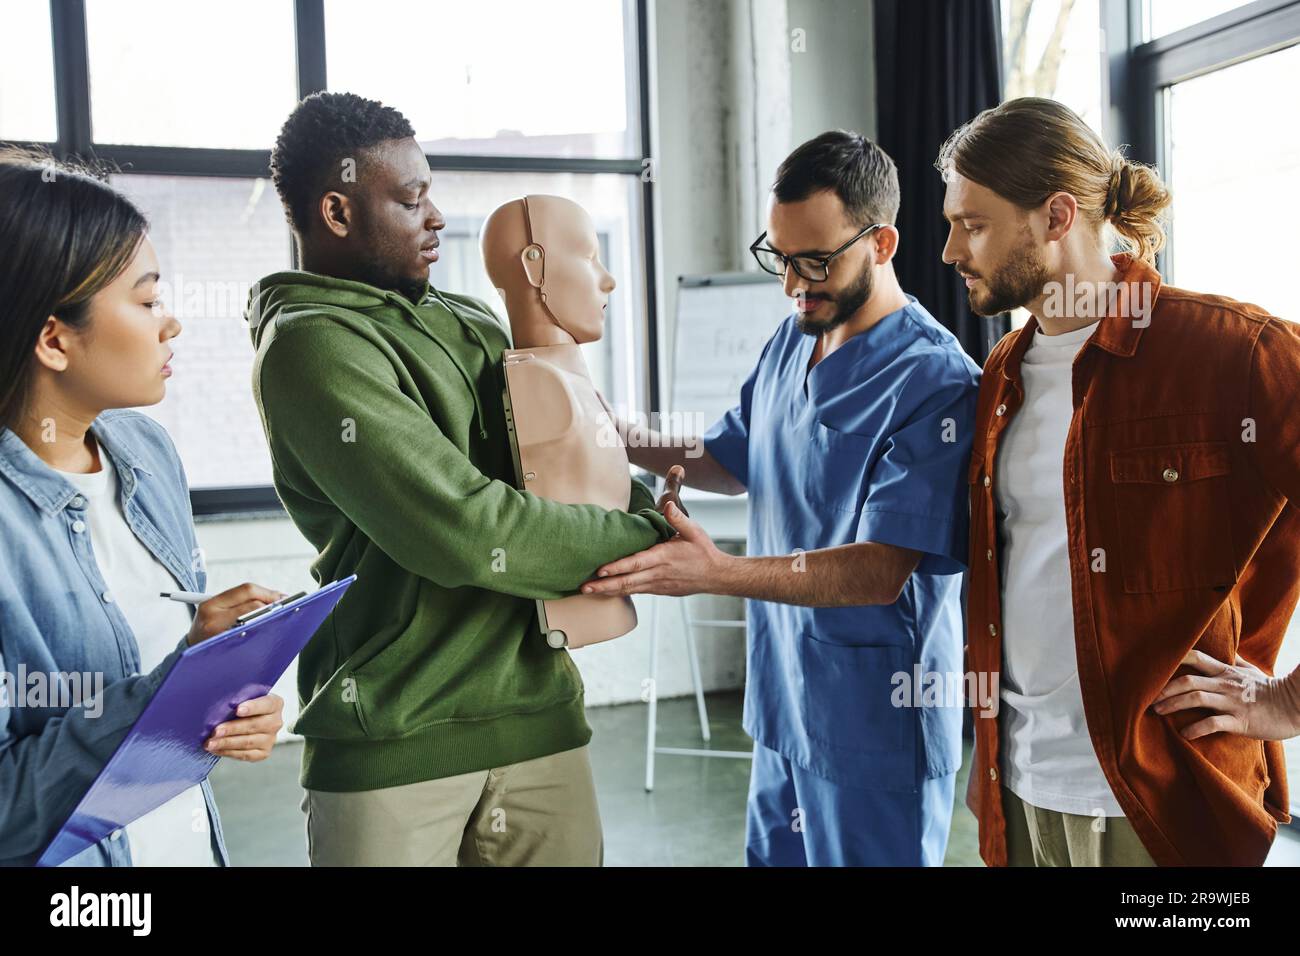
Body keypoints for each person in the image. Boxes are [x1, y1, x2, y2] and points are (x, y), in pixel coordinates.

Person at [248, 92, 678, 866]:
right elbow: (464, 531)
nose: (437, 216)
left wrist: (646, 504)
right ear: (337, 213)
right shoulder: (309, 347)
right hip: (394, 735)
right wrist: (647, 535)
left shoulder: (471, 321)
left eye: (432, 192)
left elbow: (563, 469)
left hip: (539, 717)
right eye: (411, 199)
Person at [583, 131, 980, 866]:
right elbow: (735, 458)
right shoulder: (793, 338)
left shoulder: (936, 382)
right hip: (786, 702)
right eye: (780, 258)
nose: (794, 284)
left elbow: (879, 570)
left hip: (875, 724)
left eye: (817, 262)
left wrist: (715, 575)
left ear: (883, 242)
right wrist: (620, 436)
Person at [938, 96, 1300, 866]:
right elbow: (1008, 580)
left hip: (1166, 803)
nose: (949, 250)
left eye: (972, 223)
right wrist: (988, 756)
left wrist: (1286, 701)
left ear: (1057, 216)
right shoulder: (1003, 372)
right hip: (1023, 792)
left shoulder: (1236, 354)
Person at [0, 146, 286, 867]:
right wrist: (172, 690)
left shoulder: (145, 452)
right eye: (148, 298)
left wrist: (223, 704)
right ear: (54, 339)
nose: (172, 324)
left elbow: (160, 668)